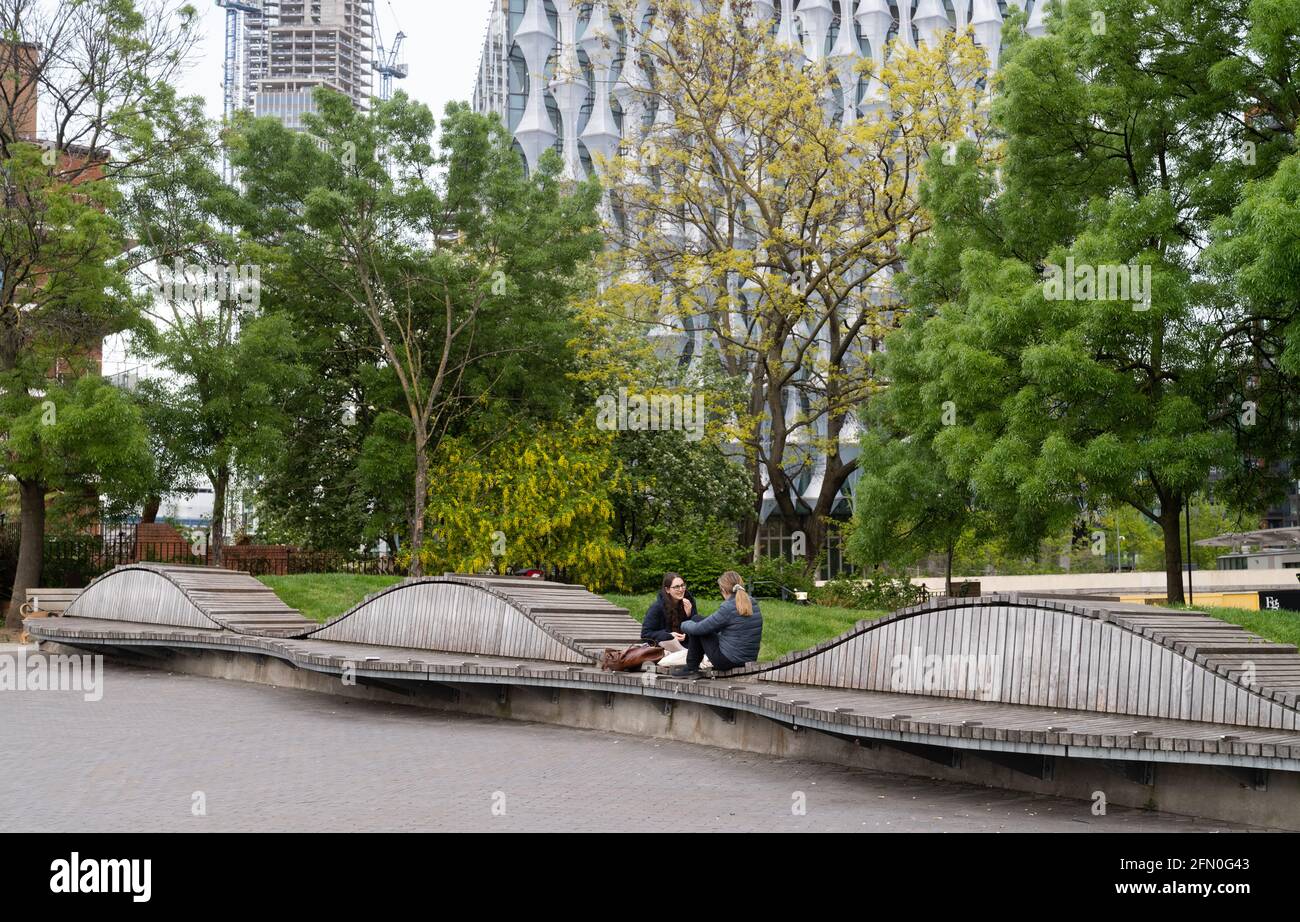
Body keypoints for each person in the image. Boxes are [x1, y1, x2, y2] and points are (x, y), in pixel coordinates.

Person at [673, 570, 762, 676]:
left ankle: (691, 668)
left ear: (723, 589)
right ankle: (691, 667)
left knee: (696, 621)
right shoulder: (752, 603)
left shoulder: (728, 607)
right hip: (748, 659)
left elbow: (699, 628)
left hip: (727, 661)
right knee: (700, 621)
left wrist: (683, 624)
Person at [641, 572, 696, 653]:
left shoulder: (689, 602)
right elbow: (645, 634)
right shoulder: (657, 607)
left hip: (686, 646)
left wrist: (689, 615)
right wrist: (669, 635)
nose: (681, 589)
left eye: (682, 585)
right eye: (676, 587)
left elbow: (696, 629)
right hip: (664, 648)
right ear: (667, 590)